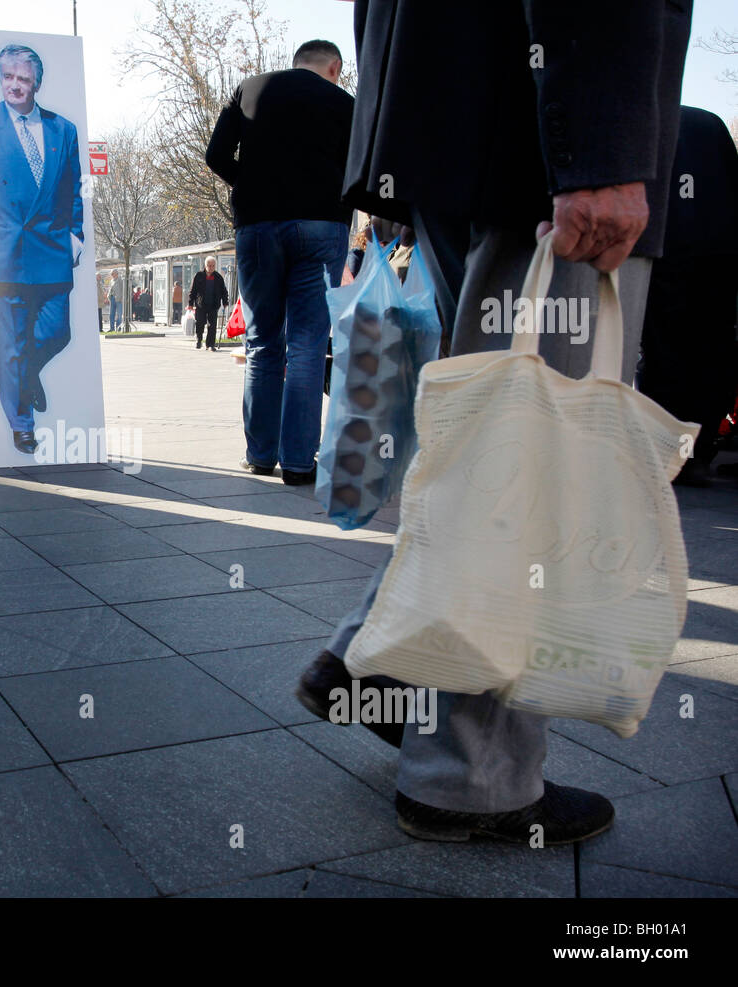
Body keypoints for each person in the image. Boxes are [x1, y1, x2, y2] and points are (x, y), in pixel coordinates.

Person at [295, 0, 691, 844]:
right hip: (544, 125)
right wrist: (603, 147)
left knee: (488, 444)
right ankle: (470, 777)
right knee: (532, 468)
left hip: (452, 112)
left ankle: (372, 661)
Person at [206, 38, 354, 484]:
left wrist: (247, 186)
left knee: (263, 342)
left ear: (297, 62)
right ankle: (298, 463)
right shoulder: (345, 103)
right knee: (309, 343)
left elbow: (216, 155)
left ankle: (259, 455)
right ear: (333, 67)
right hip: (322, 227)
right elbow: (360, 169)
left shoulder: (249, 89)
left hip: (259, 226)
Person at [0, 43, 85, 455]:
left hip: (51, 250)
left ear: (37, 83)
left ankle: (27, 380)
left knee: (56, 331)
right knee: (9, 346)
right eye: (8, 77)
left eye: (23, 79)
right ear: (0, 79)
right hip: (2, 252)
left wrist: (76, 233)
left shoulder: (63, 129)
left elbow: (73, 189)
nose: (15, 86)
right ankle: (21, 423)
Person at [637, 105, 738, 487]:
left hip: (667, 245)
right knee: (713, 344)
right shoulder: (708, 123)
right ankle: (699, 446)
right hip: (719, 248)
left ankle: (668, 450)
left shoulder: (650, 119)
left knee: (666, 347)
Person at [187, 256, 228, 352]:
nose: (211, 268)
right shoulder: (199, 276)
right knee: (200, 322)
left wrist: (225, 302)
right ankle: (199, 339)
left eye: (213, 266)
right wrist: (190, 303)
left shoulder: (218, 277)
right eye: (209, 265)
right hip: (201, 304)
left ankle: (210, 344)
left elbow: (224, 291)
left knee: (212, 325)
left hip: (214, 305)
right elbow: (193, 290)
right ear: (205, 266)